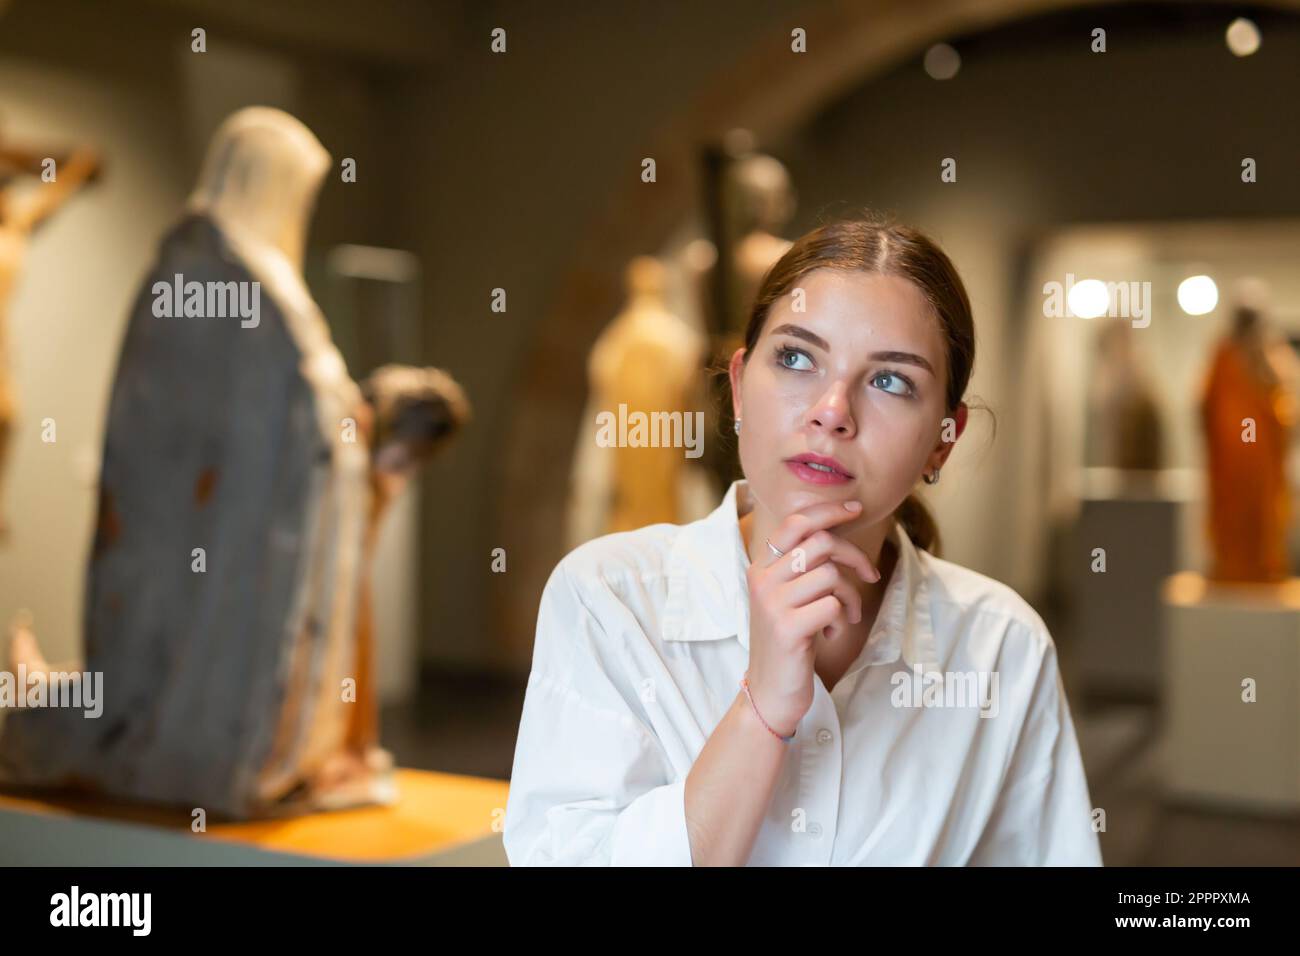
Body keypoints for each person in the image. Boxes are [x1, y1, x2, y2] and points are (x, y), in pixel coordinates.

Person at [503, 213, 1102, 866]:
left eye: (891, 381)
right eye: (796, 358)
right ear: (737, 386)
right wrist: (761, 708)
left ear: (943, 439)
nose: (832, 410)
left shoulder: (1000, 646)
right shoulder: (608, 602)